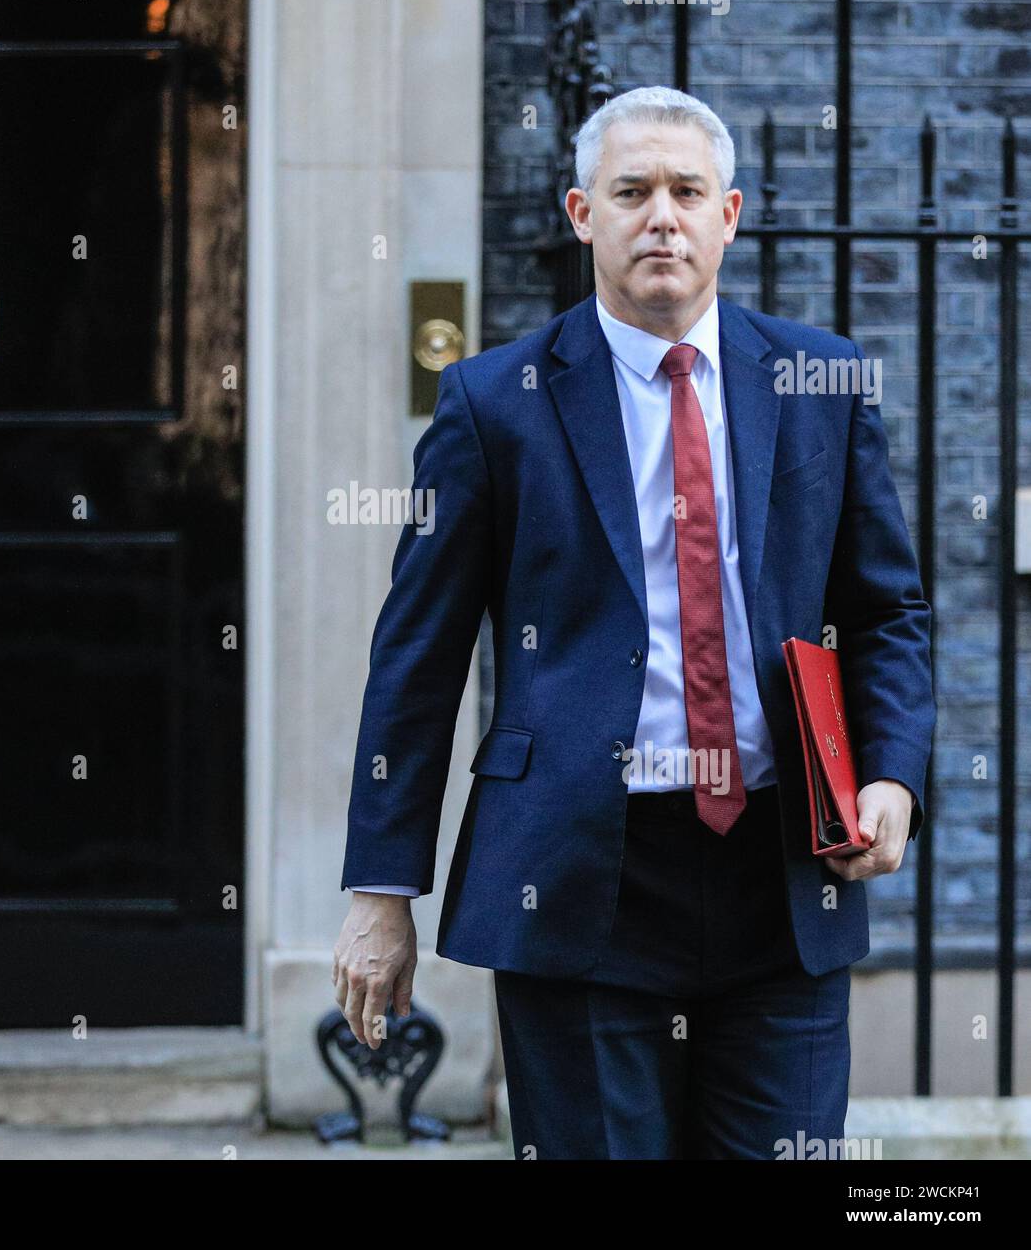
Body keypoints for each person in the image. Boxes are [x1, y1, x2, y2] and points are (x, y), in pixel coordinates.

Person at [332, 86, 934, 1159]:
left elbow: (884, 610)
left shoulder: (819, 382)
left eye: (686, 191)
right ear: (581, 213)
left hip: (780, 872)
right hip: (577, 882)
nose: (662, 216)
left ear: (729, 215)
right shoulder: (492, 402)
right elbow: (415, 656)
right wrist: (383, 891)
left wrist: (889, 774)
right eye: (632, 191)